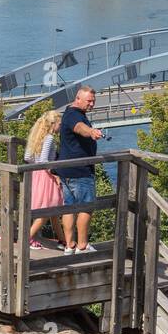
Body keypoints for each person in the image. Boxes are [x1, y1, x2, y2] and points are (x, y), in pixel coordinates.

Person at [55, 85, 102, 255]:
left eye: (93, 101)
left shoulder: (68, 113)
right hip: (80, 170)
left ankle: (70, 245)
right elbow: (80, 128)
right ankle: (82, 246)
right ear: (78, 99)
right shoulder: (74, 115)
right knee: (86, 207)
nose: (92, 104)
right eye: (89, 101)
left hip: (66, 170)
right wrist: (91, 132)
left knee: (69, 207)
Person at [23, 108, 65, 250]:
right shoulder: (50, 138)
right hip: (47, 176)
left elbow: (28, 157)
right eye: (60, 124)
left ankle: (62, 240)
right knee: (48, 208)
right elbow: (44, 160)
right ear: (53, 124)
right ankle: (27, 238)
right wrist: (55, 174)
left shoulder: (37, 137)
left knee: (53, 210)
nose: (61, 127)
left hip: (37, 175)